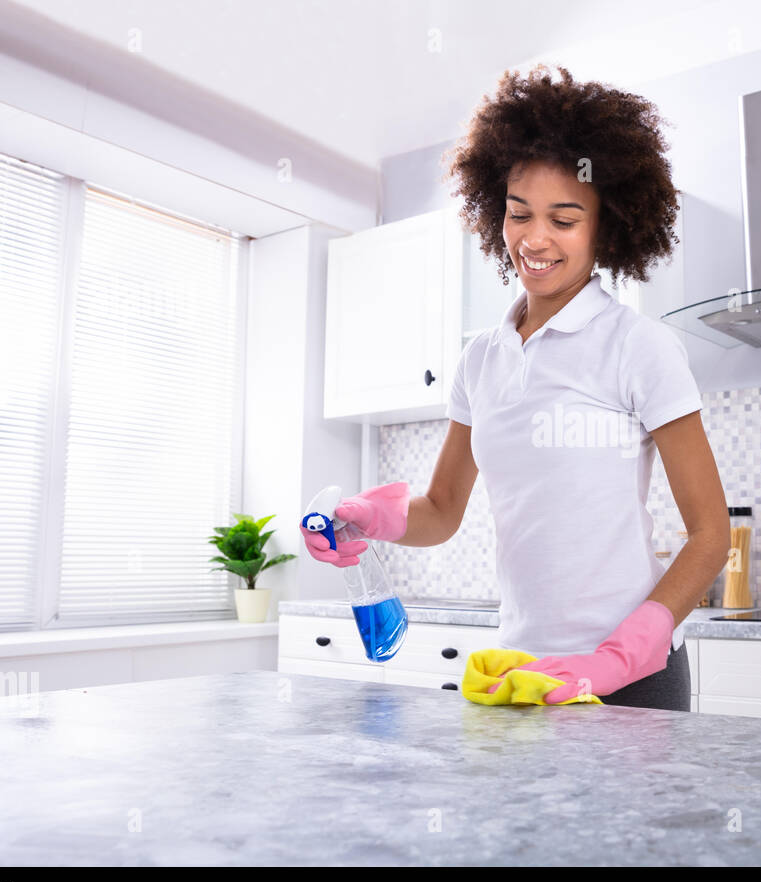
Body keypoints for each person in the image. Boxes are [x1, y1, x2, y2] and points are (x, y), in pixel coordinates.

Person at [301, 64, 731, 712]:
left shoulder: (639, 346)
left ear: (605, 227)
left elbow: (710, 534)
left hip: (633, 678)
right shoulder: (480, 359)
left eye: (564, 219)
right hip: (524, 671)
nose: (534, 239)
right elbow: (442, 509)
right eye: (518, 213)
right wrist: (373, 517)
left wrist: (627, 652)